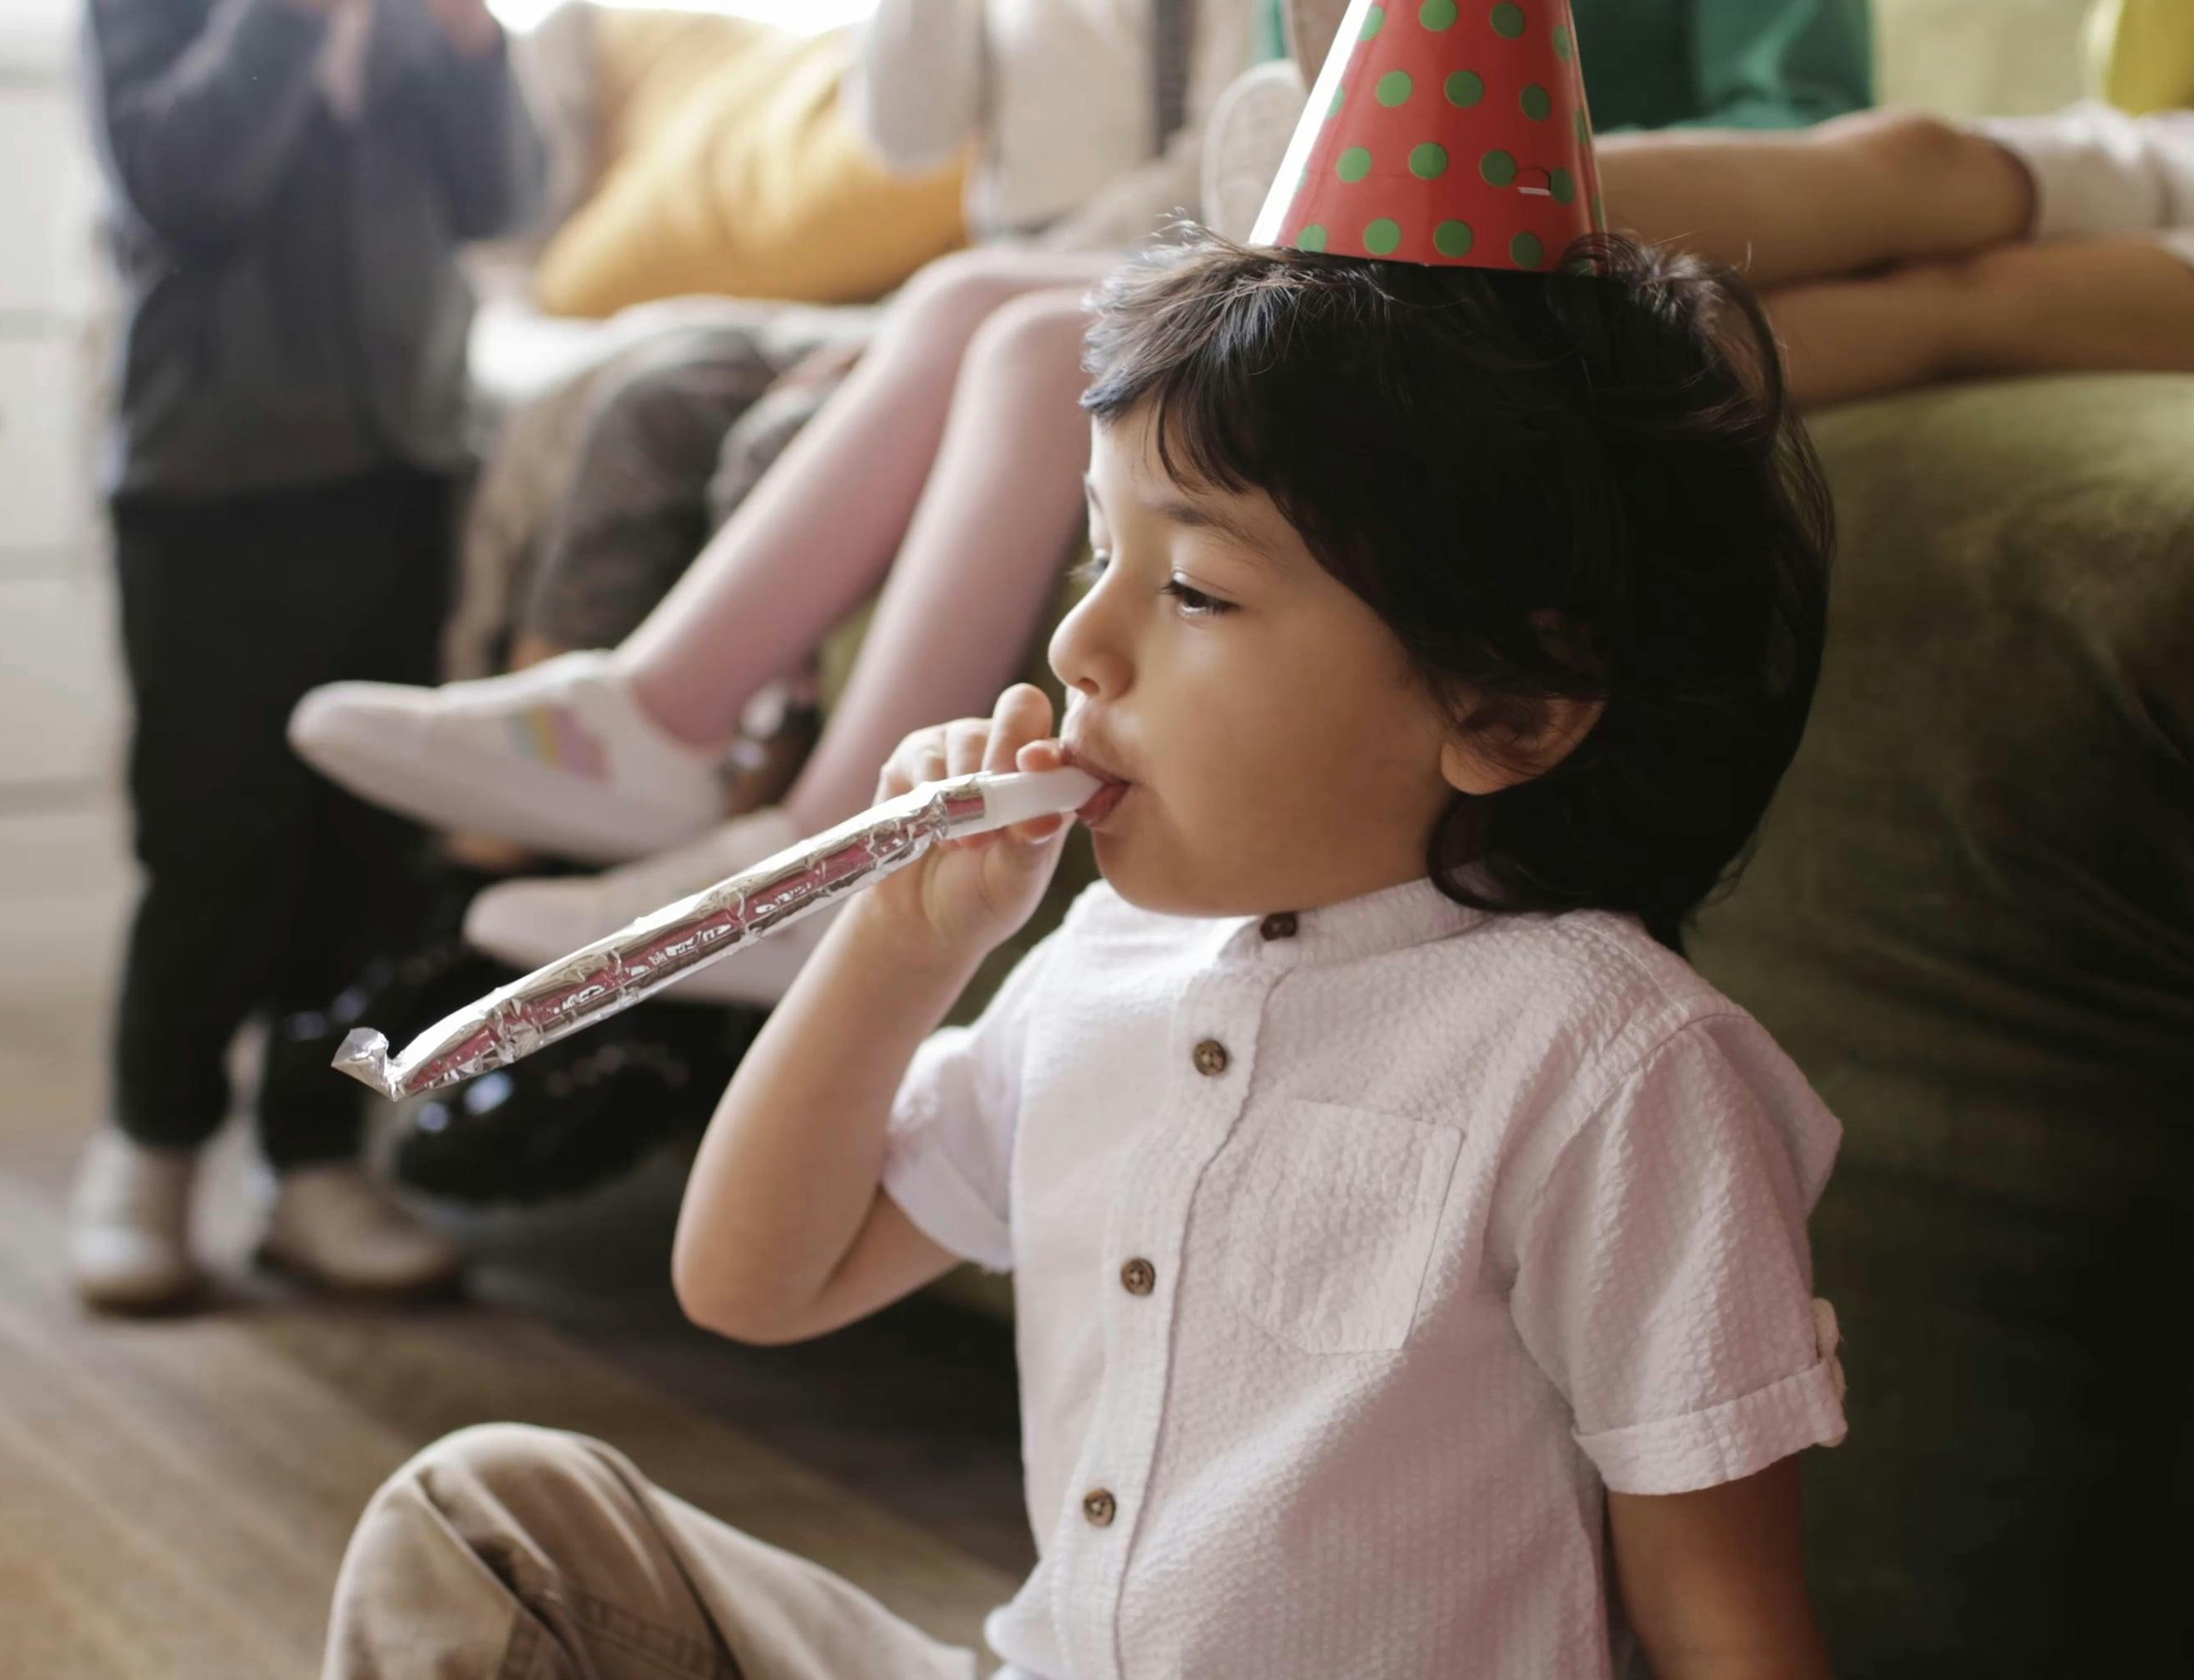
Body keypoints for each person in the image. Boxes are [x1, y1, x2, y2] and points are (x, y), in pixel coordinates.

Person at [295, 17, 1863, 1680]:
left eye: (1192, 591)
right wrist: (894, 955)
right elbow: (754, 1281)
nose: (1079, 643)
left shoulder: (1614, 1069)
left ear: (1501, 706)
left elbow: (1731, 1630)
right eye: (1095, 553)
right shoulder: (1106, 963)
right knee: (492, 1530)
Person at [283, 0, 1876, 990]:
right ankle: (659, 716)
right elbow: (1285, 157)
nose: (1075, 658)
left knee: (1032, 326)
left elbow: (1794, 133)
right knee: (979, 299)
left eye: (1172, 587)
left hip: (1557, 305)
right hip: (1335, 291)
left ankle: (810, 830)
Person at [67, 0, 540, 1312]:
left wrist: (472, 45)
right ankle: (150, 1145)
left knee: (369, 846)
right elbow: (187, 183)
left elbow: (501, 196)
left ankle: (319, 1156)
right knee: (212, 830)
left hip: (401, 464)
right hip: (212, 471)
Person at [1593, 0, 2194, 403]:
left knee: (1955, 294)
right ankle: (1488, 234)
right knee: (1910, 154)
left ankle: (1530, 404)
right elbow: (2159, 77)